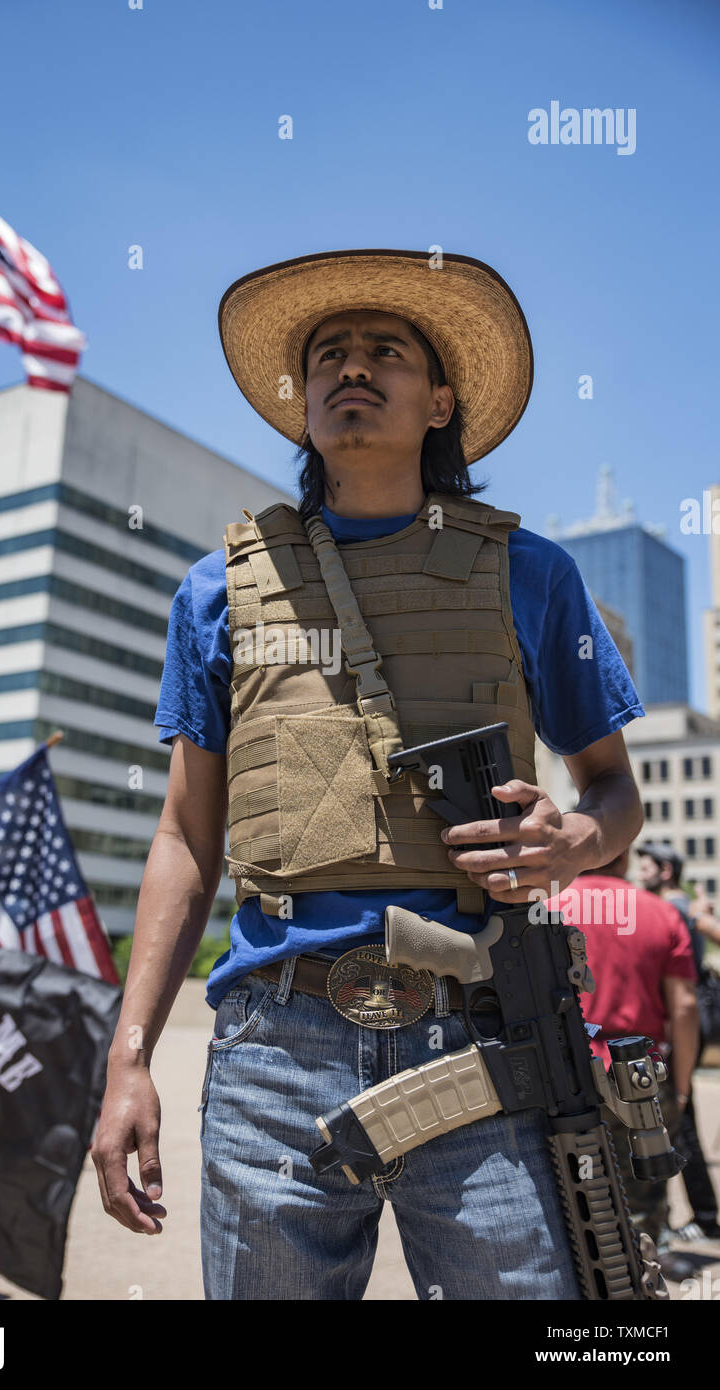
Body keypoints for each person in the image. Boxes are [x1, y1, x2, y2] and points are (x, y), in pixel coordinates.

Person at [93, 248, 646, 1300]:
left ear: (441, 400)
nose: (353, 368)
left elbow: (616, 792)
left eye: (385, 352)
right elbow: (183, 839)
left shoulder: (534, 573)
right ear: (302, 404)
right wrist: (129, 1058)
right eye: (329, 356)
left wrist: (575, 841)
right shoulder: (213, 594)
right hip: (270, 1049)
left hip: (482, 1036)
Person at [547, 848, 700, 1252]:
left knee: (567, 1193)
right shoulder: (661, 912)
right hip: (640, 1075)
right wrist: (680, 1087)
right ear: (624, 855)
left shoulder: (547, 906)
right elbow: (684, 1007)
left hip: (565, 1073)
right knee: (643, 1191)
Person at [635, 841, 720, 1241]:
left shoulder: (678, 907)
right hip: (675, 1013)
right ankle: (688, 1219)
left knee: (678, 1118)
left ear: (666, 870)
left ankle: (700, 1220)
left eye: (648, 866)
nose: (641, 872)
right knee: (672, 1118)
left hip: (687, 1012)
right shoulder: (665, 906)